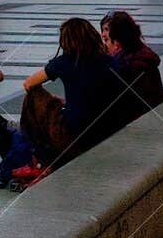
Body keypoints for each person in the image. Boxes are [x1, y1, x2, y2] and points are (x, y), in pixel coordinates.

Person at [13, 17, 126, 170]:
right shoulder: (110, 61)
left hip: (74, 135)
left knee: (33, 96)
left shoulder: (64, 61)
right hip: (107, 129)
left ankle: (38, 155)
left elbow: (29, 84)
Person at [100, 11, 163, 123]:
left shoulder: (127, 67)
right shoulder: (140, 56)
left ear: (117, 42)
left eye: (106, 40)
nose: (104, 46)